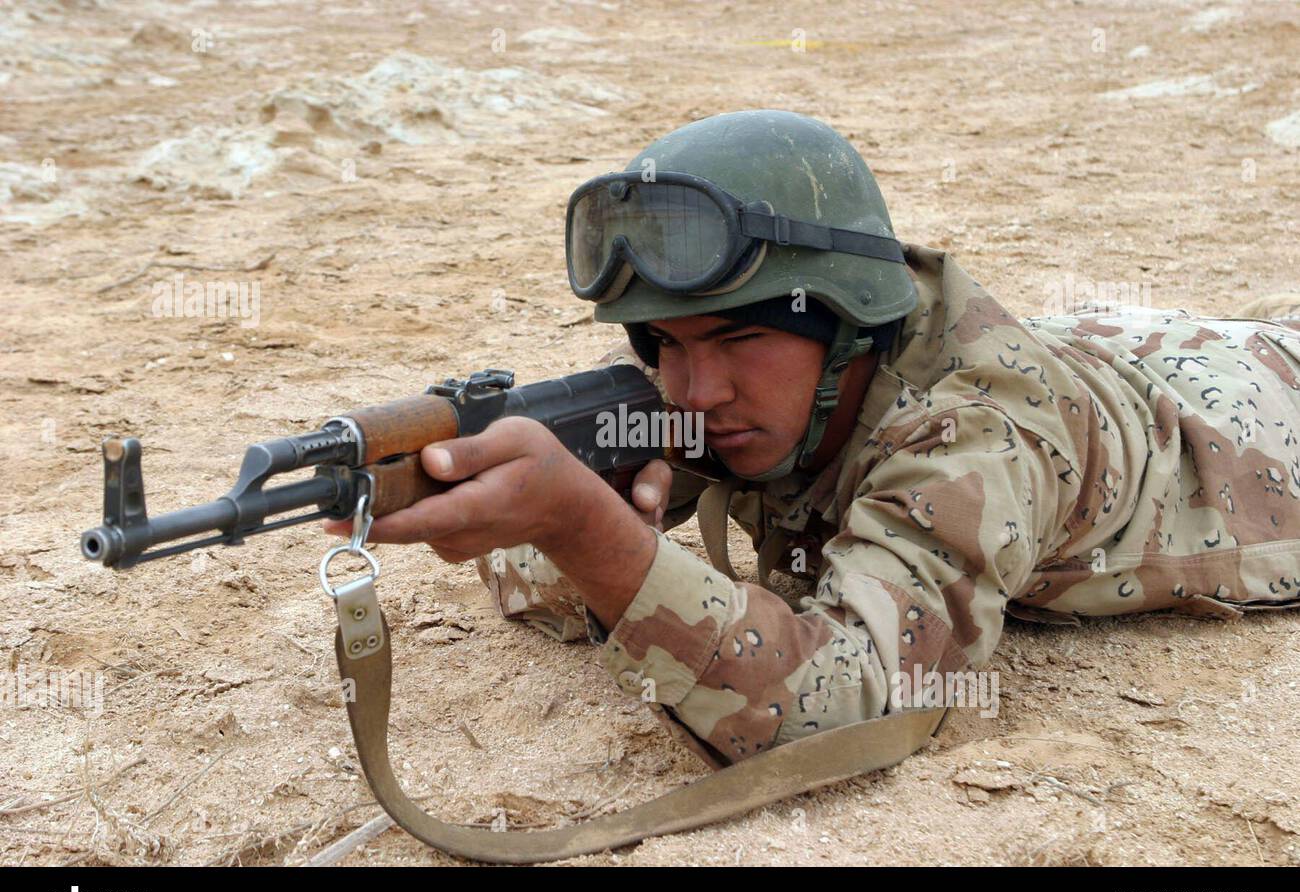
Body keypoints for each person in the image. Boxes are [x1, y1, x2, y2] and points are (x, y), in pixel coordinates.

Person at [331, 109, 1300, 769]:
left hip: (1249, 432)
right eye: (665, 345)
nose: (697, 391)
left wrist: (593, 534)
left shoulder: (975, 442)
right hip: (1117, 347)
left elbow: (860, 698)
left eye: (742, 339)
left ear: (846, 329)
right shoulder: (760, 390)